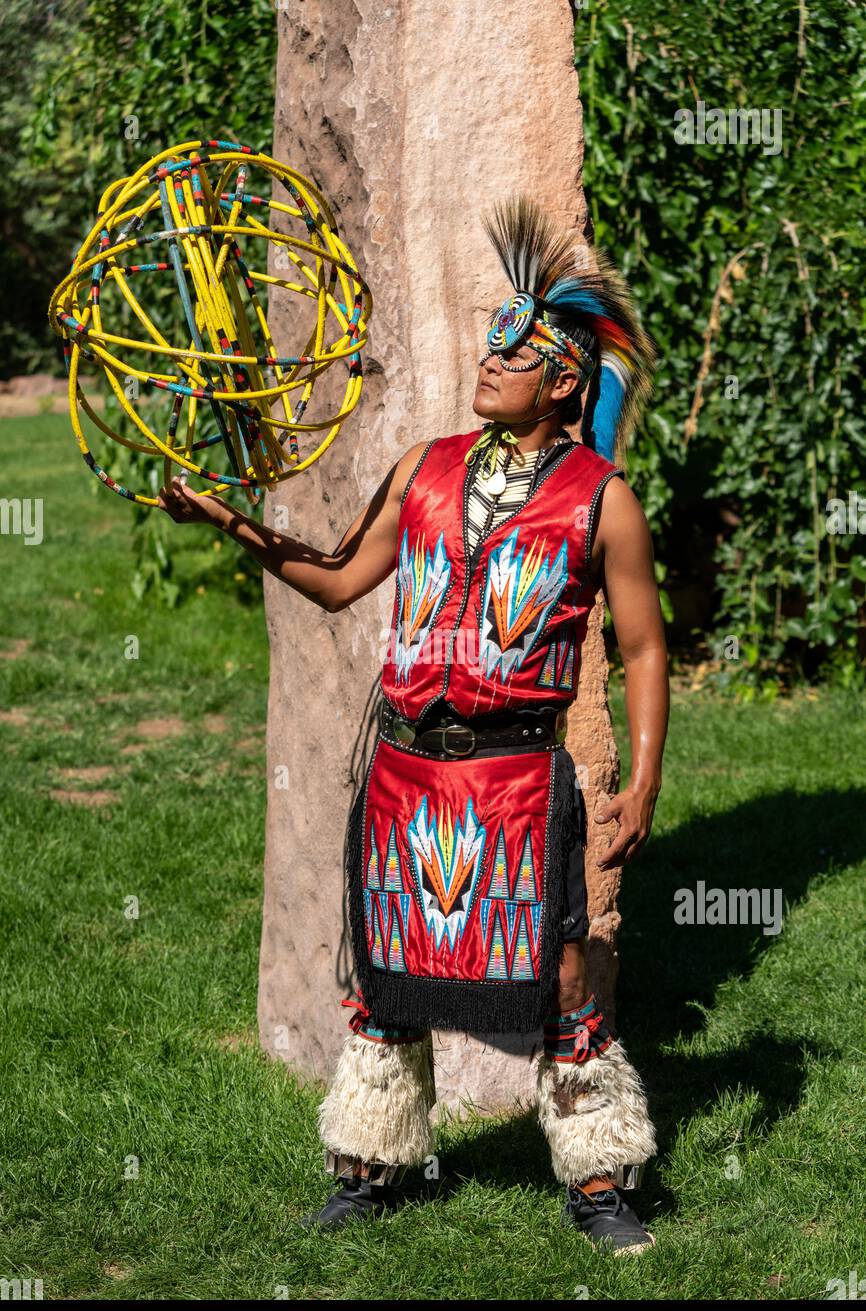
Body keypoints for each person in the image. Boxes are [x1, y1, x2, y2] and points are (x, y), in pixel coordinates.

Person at [158, 196, 669, 1256]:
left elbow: (642, 650)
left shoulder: (597, 499)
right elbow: (342, 578)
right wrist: (230, 522)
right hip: (403, 772)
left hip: (519, 781)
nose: (487, 360)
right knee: (386, 970)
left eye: (514, 349)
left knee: (560, 971)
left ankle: (598, 1179)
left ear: (564, 379)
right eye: (489, 338)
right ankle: (371, 1166)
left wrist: (642, 785)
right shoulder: (426, 469)